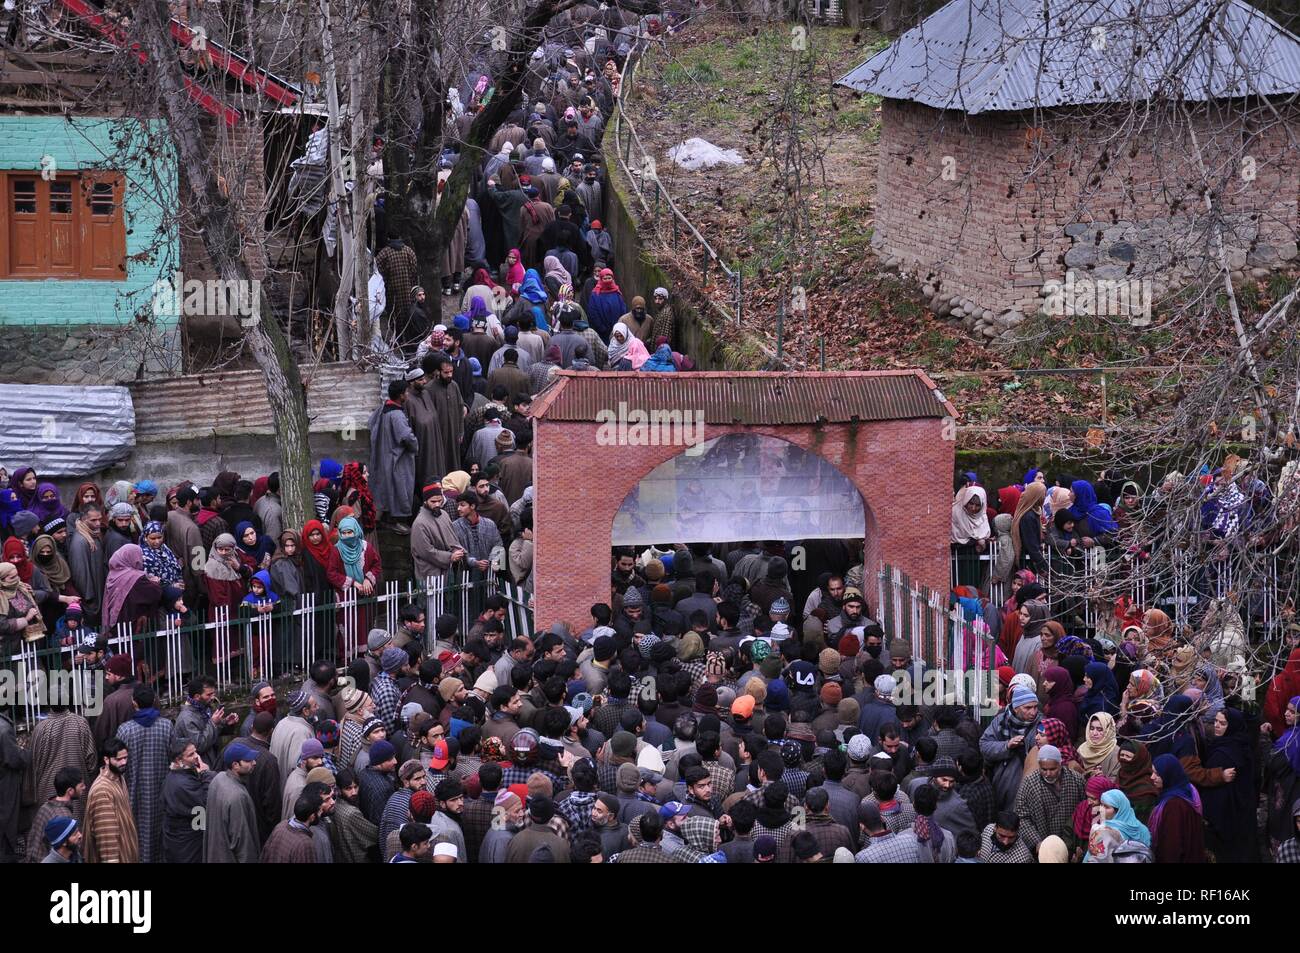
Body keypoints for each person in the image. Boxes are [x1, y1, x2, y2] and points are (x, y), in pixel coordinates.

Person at [113, 684, 174, 863]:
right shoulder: (167, 726)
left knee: (136, 836)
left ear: (134, 703)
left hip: (133, 794)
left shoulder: (125, 730)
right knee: (159, 835)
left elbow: (118, 763)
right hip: (161, 793)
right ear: (155, 701)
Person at [369, 380, 420, 531]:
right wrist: (415, 445)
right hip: (396, 459)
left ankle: (387, 518)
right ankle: (393, 520)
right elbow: (406, 436)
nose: (408, 395)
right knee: (398, 488)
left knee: (387, 488)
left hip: (384, 456)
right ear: (401, 395)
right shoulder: (397, 415)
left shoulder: (383, 409)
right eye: (407, 392)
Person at [82, 738, 139, 864]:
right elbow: (106, 836)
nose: (124, 762)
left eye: (125, 758)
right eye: (118, 759)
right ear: (106, 760)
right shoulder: (102, 790)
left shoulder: (119, 778)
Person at [161, 739, 214, 863]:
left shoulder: (177, 775)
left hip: (182, 838)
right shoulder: (182, 784)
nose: (197, 757)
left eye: (196, 752)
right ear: (179, 761)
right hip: (187, 842)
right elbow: (206, 802)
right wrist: (206, 774)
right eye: (191, 755)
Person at [1149, 754, 1205, 863]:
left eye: (1157, 774)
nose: (1152, 777)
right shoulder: (1187, 789)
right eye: (1152, 772)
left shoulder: (1173, 806)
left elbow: (1172, 847)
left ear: (1168, 775)